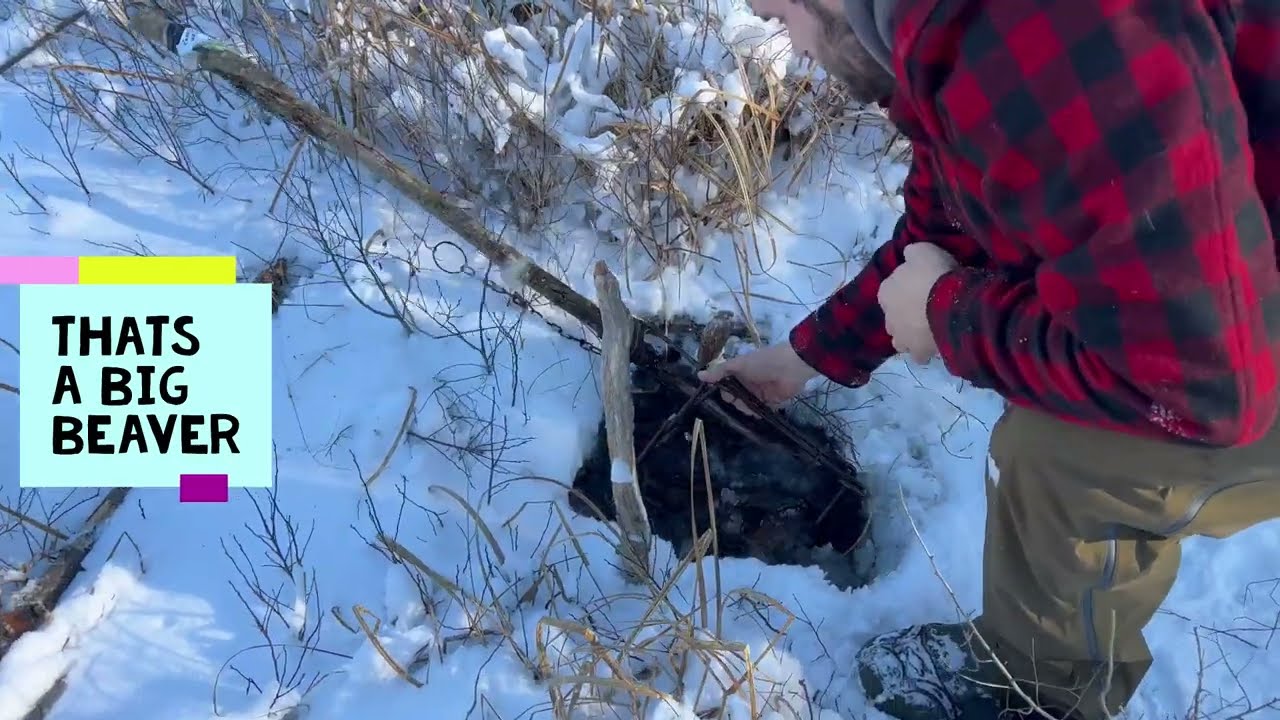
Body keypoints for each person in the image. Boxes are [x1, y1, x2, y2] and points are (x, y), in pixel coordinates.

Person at [697, 1, 1280, 719]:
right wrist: (801, 358)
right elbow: (951, 222)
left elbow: (1205, 389)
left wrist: (948, 316)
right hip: (1232, 287)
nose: (792, 48)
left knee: (1057, 455)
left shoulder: (1045, 31)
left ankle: (1038, 692)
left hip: (1225, 359)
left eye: (779, 15)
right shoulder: (954, 32)